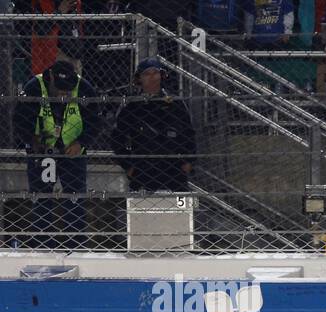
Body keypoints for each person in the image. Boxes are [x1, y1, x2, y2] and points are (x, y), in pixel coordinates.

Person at [14, 54, 99, 247]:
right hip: (43, 153)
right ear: (51, 77)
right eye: (59, 89)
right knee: (41, 198)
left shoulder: (84, 88)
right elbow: (20, 121)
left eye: (67, 90)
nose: (63, 94)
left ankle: (76, 245)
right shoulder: (34, 87)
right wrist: (33, 143)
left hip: (73, 151)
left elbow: (95, 122)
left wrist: (81, 143)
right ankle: (41, 244)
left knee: (74, 198)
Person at [111, 57, 196, 192]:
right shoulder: (131, 105)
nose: (152, 77)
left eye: (155, 73)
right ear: (139, 78)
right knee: (141, 209)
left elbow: (189, 133)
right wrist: (129, 166)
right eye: (146, 74)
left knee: (179, 209)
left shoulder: (175, 102)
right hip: (143, 168)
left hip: (173, 169)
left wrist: (189, 161)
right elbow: (117, 138)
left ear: (161, 76)